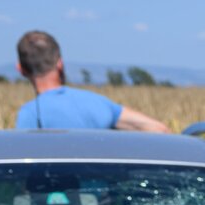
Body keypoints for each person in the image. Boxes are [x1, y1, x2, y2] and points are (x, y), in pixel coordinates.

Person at [14, 30, 168, 132]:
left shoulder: (29, 114)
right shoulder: (97, 104)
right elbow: (159, 130)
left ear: (21, 69)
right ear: (60, 64)